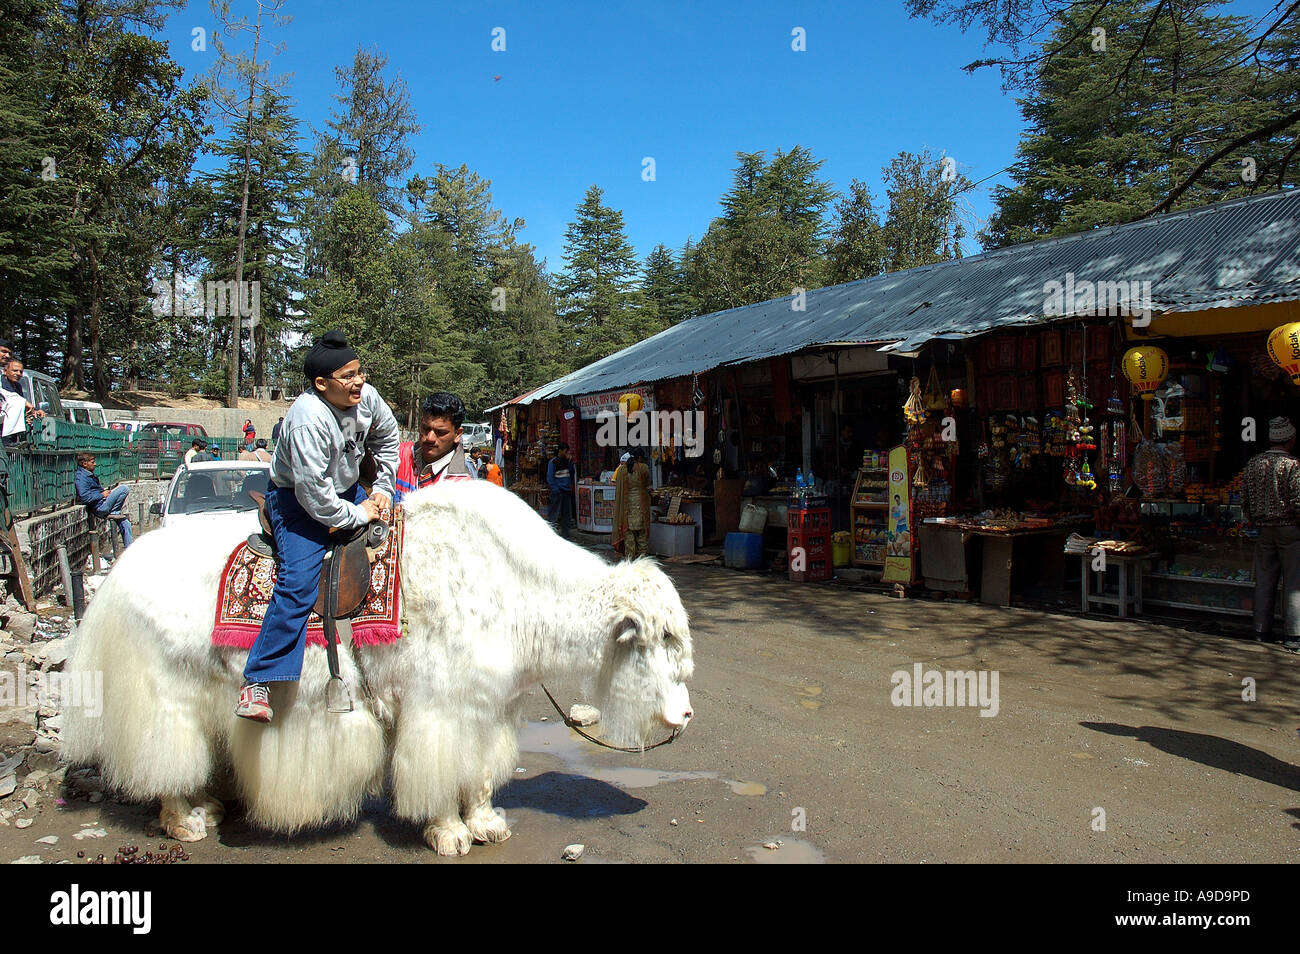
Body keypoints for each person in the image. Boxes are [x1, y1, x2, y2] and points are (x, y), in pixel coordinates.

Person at [235, 331, 400, 723]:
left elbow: (389, 437)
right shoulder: (307, 421)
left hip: (348, 489)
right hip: (298, 502)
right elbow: (314, 496)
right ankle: (258, 679)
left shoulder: (367, 397)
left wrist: (383, 488)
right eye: (348, 376)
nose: (358, 382)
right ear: (321, 384)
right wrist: (359, 514)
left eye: (360, 372)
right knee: (297, 582)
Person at [1241, 416, 1300, 650]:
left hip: (1263, 530)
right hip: (1289, 530)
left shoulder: (1254, 463)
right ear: (1290, 440)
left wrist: (1255, 519)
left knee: (1264, 581)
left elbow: (1244, 500)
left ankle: (1260, 630)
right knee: (1294, 583)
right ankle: (1294, 635)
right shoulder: (1293, 465)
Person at [393, 391, 475, 504]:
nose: (430, 438)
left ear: (457, 434)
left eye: (440, 432)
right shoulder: (398, 454)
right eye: (426, 429)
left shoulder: (461, 487)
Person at [74, 452, 133, 548]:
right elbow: (84, 497)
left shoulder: (88, 475)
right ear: (85, 463)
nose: (95, 464)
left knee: (125, 523)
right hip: (99, 507)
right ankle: (115, 511)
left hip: (103, 502)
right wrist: (102, 495)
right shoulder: (81, 477)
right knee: (124, 489)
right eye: (92, 462)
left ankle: (129, 551)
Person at [612, 448, 651, 559]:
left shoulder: (621, 470)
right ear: (639, 458)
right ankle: (641, 561)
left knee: (629, 537)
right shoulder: (644, 468)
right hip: (641, 507)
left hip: (626, 509)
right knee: (642, 537)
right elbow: (647, 485)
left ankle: (630, 560)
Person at [0, 359, 43, 445]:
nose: (19, 374)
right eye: (15, 370)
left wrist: (34, 411)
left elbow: (21, 407)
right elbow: (12, 400)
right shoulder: (1, 383)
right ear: (5, 371)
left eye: (21, 371)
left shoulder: (18, 386)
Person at [547, 442, 576, 539]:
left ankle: (565, 536)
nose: (566, 453)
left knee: (566, 516)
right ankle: (550, 534)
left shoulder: (567, 462)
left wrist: (571, 462)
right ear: (560, 450)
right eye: (565, 451)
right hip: (558, 491)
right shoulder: (553, 462)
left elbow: (572, 474)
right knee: (554, 515)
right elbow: (550, 477)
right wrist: (555, 489)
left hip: (566, 491)